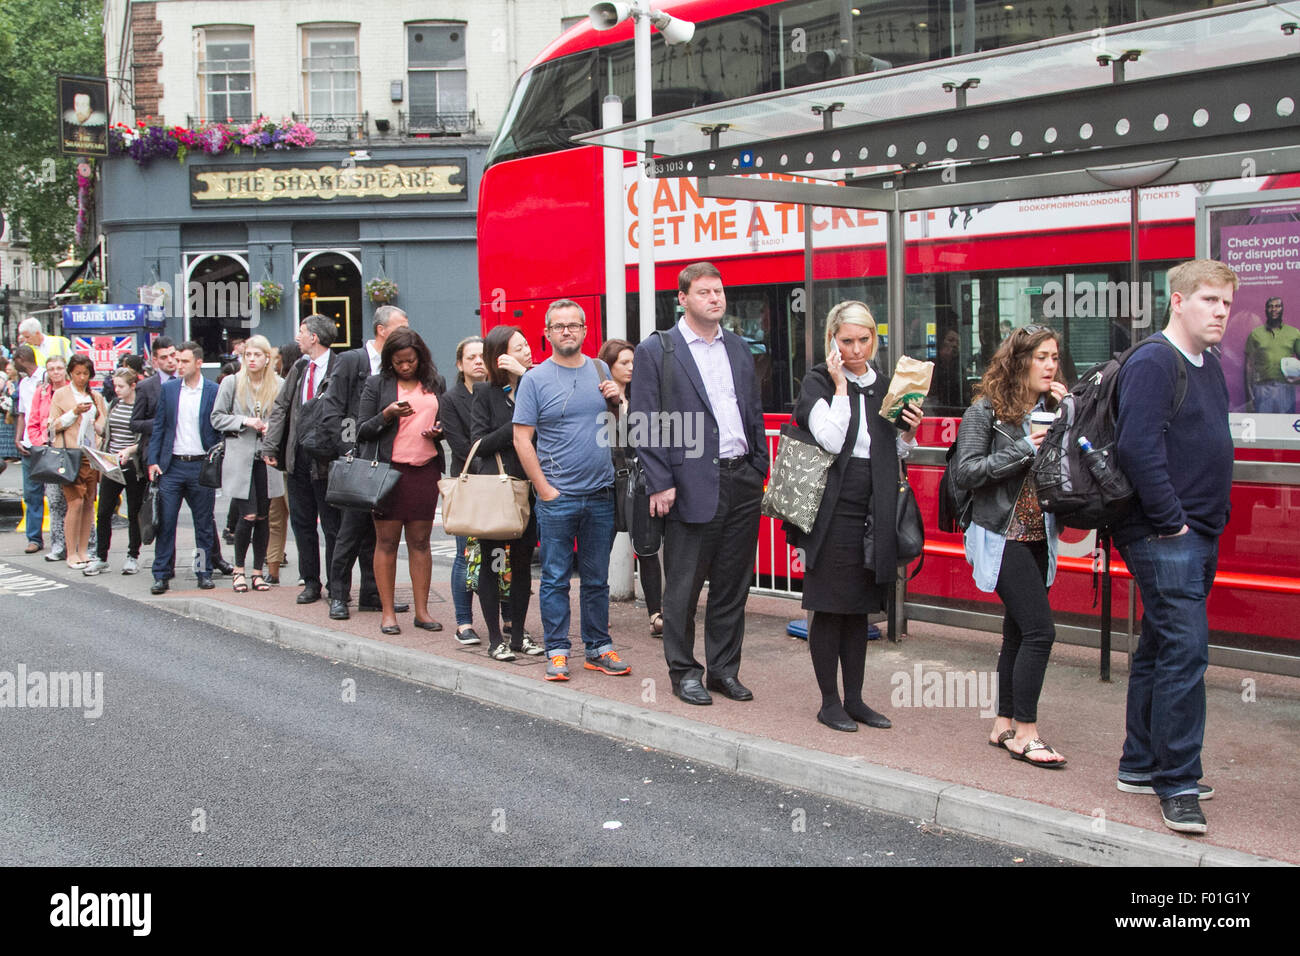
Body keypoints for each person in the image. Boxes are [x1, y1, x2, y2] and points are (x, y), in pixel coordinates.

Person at [1113, 260, 1237, 835]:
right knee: (1187, 651)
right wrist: (1172, 523)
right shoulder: (1155, 362)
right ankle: (1178, 783)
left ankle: (1140, 764)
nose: (1221, 312)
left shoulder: (1208, 364)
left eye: (1227, 303)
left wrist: (1208, 519)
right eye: (1210, 300)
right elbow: (1137, 448)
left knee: (1161, 647)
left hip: (1197, 530)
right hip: (1164, 533)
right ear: (1179, 301)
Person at [630, 262, 769, 706]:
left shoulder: (739, 347)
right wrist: (660, 481)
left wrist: (759, 465)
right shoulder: (658, 350)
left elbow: (751, 410)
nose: (714, 298)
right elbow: (644, 421)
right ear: (683, 299)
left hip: (742, 479)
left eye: (719, 291)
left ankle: (723, 671)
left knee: (732, 586)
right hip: (688, 484)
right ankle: (684, 672)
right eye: (704, 292)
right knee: (683, 589)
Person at [788, 302, 922, 732]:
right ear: (832, 341)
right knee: (830, 607)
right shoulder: (817, 381)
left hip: (873, 503)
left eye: (864, 339)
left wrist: (908, 431)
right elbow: (831, 439)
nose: (857, 349)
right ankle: (829, 702)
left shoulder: (885, 385)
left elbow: (894, 451)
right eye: (847, 341)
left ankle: (856, 699)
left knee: (860, 608)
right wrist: (840, 386)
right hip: (830, 505)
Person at [952, 325, 1069, 767]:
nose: (1050, 365)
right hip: (1000, 535)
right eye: (1041, 357)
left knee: (1019, 630)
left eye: (1054, 357)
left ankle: (1002, 722)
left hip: (1040, 534)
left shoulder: (1052, 408)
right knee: (1041, 631)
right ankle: (1027, 732)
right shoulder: (986, 410)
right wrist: (1023, 448)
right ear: (1019, 361)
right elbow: (967, 472)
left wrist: (1069, 415)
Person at [515, 301, 629, 682]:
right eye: (559, 326)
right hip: (557, 498)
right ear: (547, 333)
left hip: (600, 494)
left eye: (574, 325)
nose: (567, 331)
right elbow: (521, 439)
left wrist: (617, 402)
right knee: (555, 579)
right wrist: (544, 490)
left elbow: (619, 429)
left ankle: (598, 647)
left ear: (584, 331)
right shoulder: (534, 379)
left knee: (597, 579)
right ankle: (558, 650)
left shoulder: (600, 370)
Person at [323, 306, 412, 621]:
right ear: (381, 330)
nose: (407, 332)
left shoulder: (397, 366)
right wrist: (349, 448)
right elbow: (334, 409)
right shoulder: (352, 360)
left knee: (378, 534)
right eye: (401, 327)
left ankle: (373, 594)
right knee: (349, 532)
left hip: (387, 460)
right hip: (359, 459)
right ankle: (338, 595)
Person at [356, 327, 446, 635]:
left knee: (421, 542)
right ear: (389, 361)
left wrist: (439, 431)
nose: (405, 366)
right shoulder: (377, 384)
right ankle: (388, 613)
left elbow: (446, 421)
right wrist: (388, 414)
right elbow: (362, 429)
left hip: (425, 470)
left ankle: (422, 611)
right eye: (398, 362)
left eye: (410, 360)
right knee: (387, 542)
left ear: (421, 357)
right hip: (389, 473)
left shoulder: (434, 382)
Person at [471, 325, 543, 661]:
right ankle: (494, 637)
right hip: (499, 490)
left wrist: (525, 381)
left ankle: (517, 633)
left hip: (531, 489)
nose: (527, 351)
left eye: (527, 345)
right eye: (519, 347)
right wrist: (518, 421)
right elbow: (480, 444)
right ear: (500, 356)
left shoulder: (535, 384)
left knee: (523, 564)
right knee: (494, 563)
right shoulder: (485, 393)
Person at [264, 315, 341, 605]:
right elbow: (281, 407)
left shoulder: (340, 366)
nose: (297, 337)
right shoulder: (299, 367)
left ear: (314, 337)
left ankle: (336, 583)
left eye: (301, 332)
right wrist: (271, 446)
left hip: (327, 460)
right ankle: (310, 582)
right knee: (302, 523)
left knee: (332, 526)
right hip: (298, 456)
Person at [597, 336, 663, 637]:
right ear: (608, 366)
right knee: (601, 548)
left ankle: (655, 613)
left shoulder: (641, 397)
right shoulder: (598, 400)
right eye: (624, 362)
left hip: (638, 481)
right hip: (608, 482)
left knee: (646, 547)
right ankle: (597, 611)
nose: (631, 367)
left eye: (634, 361)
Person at [211, 334, 284, 593]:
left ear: (267, 359)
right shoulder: (231, 382)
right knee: (248, 514)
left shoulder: (278, 384)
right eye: (248, 355)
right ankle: (238, 570)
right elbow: (216, 418)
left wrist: (271, 427)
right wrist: (244, 421)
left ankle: (257, 572)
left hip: (267, 457)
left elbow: (284, 418)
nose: (252, 360)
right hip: (240, 456)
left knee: (263, 516)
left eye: (257, 355)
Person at [146, 341, 221, 594]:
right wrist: (153, 460)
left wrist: (217, 457)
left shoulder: (212, 390)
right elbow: (159, 427)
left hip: (201, 465)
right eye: (177, 361)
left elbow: (218, 427)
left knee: (203, 524)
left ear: (198, 363)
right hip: (172, 466)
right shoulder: (169, 390)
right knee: (166, 523)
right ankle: (161, 574)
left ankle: (203, 572)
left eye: (184, 361)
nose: (178, 365)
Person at [439, 334, 489, 645]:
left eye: (483, 356)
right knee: (465, 554)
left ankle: (506, 620)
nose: (478, 361)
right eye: (471, 357)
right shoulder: (450, 399)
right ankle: (463, 623)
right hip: (467, 482)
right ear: (460, 364)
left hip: (499, 484)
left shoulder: (499, 391)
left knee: (500, 555)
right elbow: (460, 445)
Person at [47, 354, 107, 569]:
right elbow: (53, 427)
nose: (82, 377)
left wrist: (95, 424)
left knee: (89, 502)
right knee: (75, 503)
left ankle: (83, 550)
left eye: (85, 373)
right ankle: (71, 552)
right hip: (70, 456)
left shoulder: (96, 396)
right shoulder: (60, 395)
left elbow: (103, 427)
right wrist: (74, 413)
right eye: (77, 373)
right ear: (70, 373)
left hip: (91, 455)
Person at [86, 367, 145, 575]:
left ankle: (132, 556)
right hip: (111, 463)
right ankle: (101, 557)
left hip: (132, 465)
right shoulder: (115, 404)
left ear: (133, 386)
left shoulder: (141, 407)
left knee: (134, 512)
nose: (117, 390)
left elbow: (145, 439)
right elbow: (108, 433)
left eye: (121, 386)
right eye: (115, 386)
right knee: (103, 511)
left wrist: (129, 451)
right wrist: (93, 424)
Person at [264, 344, 299, 583]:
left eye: (276, 358)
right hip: (277, 459)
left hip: (287, 460)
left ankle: (301, 572)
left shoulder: (287, 385)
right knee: (276, 518)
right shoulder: (277, 384)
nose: (273, 363)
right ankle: (273, 568)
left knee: (295, 519)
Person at [12, 346, 47, 554]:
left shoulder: (45, 377)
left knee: (57, 494)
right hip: (28, 445)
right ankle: (34, 538)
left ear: (21, 359)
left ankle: (63, 538)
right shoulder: (24, 383)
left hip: (46, 444)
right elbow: (22, 414)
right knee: (31, 494)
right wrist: (18, 438)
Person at [1244, 296, 1300, 413]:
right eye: (1270, 306)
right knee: (1263, 424)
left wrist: (1298, 379)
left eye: (1277, 306)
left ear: (1282, 309)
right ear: (1266, 310)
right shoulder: (1255, 334)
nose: (1274, 309)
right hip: (1262, 389)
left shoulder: (1294, 333)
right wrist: (1249, 397)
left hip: (1285, 388)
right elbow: (1249, 366)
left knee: (1284, 424)